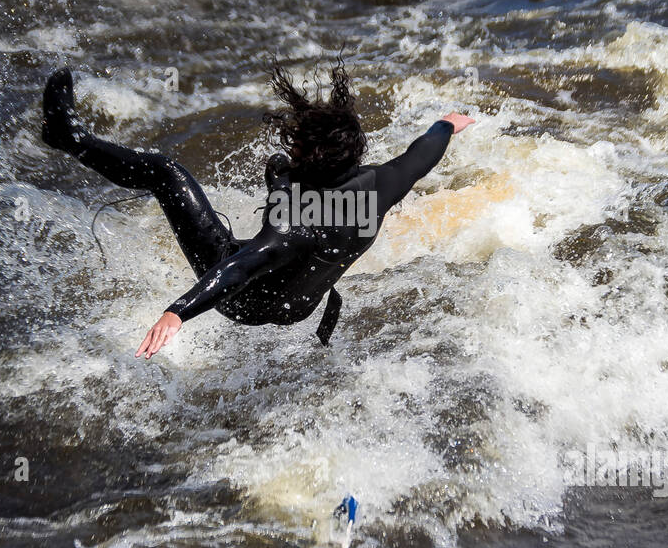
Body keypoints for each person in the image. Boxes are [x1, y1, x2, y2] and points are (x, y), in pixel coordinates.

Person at [40, 61, 474, 359]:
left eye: (297, 146)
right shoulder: (381, 185)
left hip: (247, 302)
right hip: (299, 304)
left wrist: (178, 311)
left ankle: (67, 137)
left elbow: (241, 268)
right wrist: (447, 124)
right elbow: (425, 151)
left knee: (167, 174)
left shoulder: (293, 220)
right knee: (284, 207)